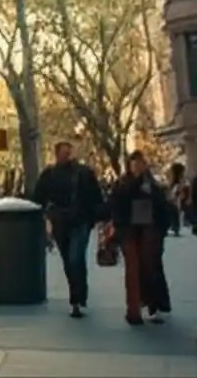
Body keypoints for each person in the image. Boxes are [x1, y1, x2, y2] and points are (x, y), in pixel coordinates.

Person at [32, 140, 104, 318]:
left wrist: (97, 219)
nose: (67, 156)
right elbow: (38, 198)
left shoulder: (84, 173)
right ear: (57, 154)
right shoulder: (49, 175)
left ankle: (77, 299)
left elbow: (96, 197)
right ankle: (79, 294)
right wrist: (45, 218)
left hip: (80, 222)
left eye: (68, 152)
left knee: (74, 257)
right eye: (63, 153)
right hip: (60, 223)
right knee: (69, 260)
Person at [108, 151, 173, 326]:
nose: (137, 167)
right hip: (129, 232)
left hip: (149, 232)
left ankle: (154, 303)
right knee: (133, 271)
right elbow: (115, 206)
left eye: (140, 163)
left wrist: (161, 230)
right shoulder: (122, 184)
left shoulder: (153, 186)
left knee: (150, 267)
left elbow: (163, 209)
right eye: (134, 163)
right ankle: (134, 310)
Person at [167, 163, 189, 237]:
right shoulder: (178, 185)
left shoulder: (177, 184)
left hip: (176, 205)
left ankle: (174, 227)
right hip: (175, 205)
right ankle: (174, 227)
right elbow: (175, 196)